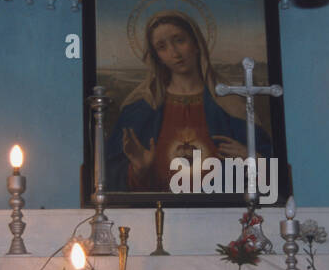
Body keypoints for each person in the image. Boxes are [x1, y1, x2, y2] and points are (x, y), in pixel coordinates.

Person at [105, 11, 271, 191]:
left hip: (223, 212)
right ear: (157, 57)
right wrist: (138, 169)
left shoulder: (230, 104)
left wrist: (253, 158)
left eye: (179, 40)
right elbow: (109, 177)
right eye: (162, 47)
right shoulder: (139, 110)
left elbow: (274, 173)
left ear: (196, 43)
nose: (174, 53)